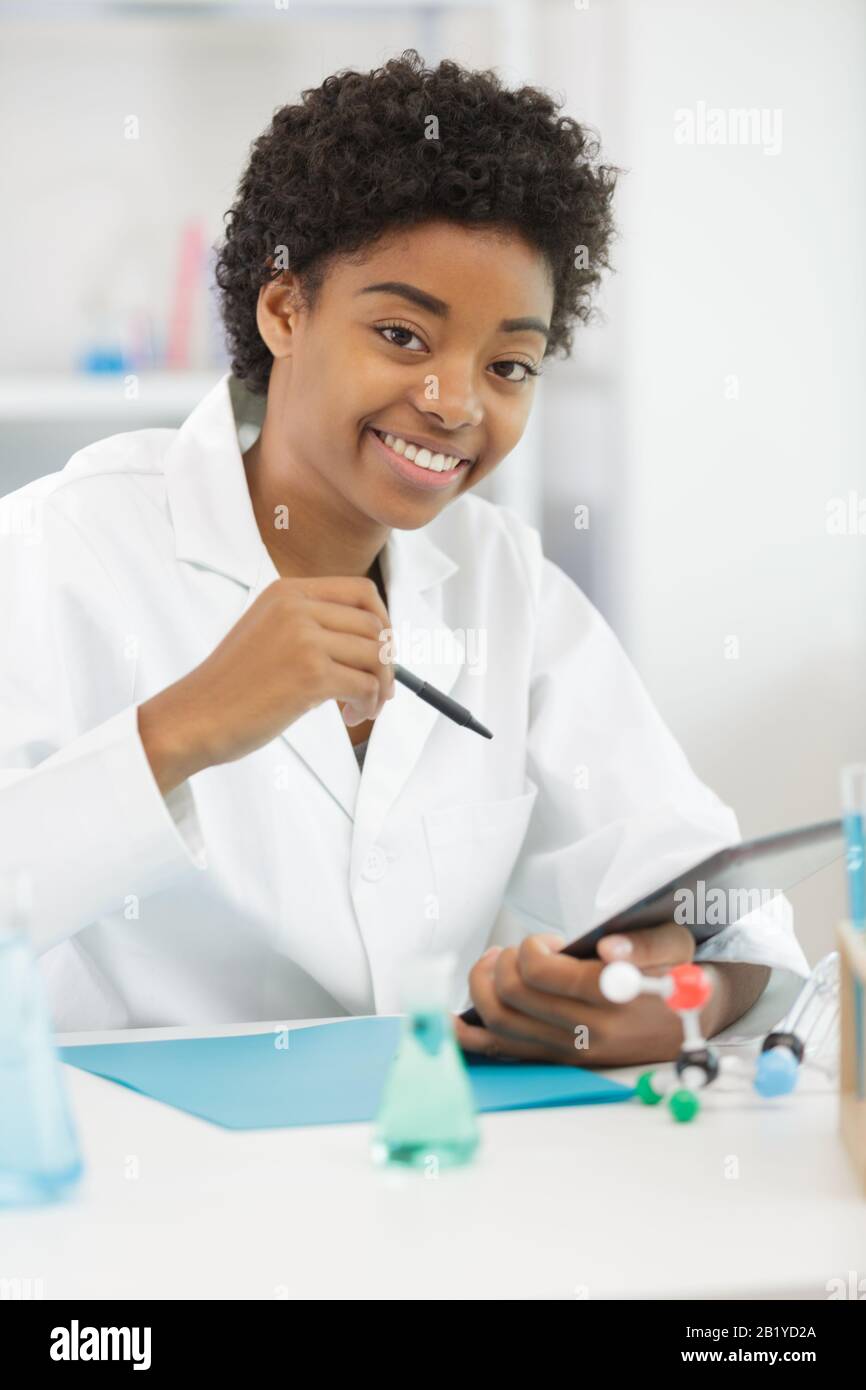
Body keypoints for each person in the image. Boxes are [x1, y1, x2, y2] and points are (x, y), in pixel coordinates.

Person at [0, 50, 808, 1062]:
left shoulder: (504, 583)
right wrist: (183, 729)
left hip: (423, 1162)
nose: (457, 403)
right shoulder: (60, 547)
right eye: (402, 335)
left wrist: (672, 997)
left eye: (507, 364)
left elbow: (706, 892)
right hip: (134, 1180)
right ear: (284, 310)